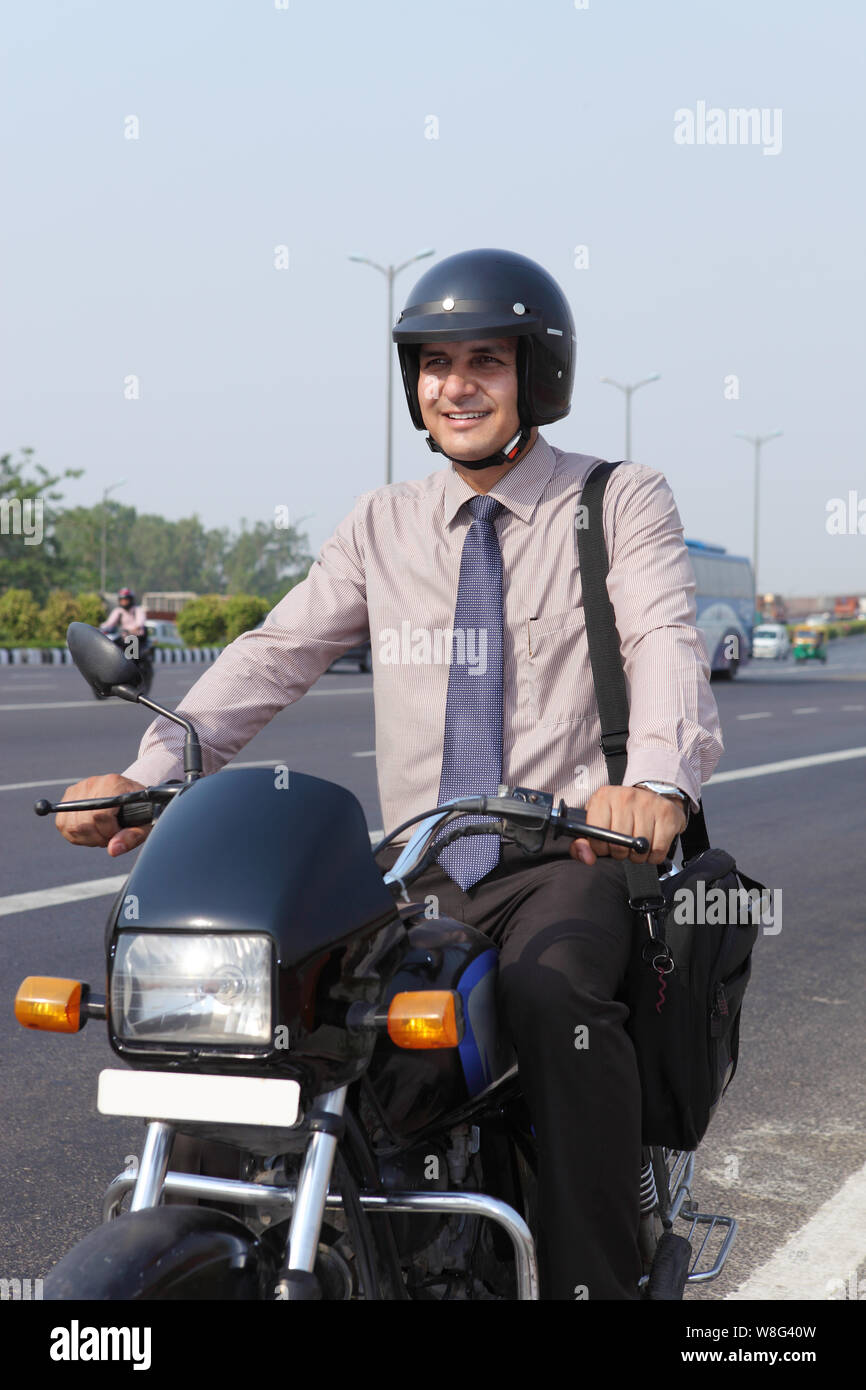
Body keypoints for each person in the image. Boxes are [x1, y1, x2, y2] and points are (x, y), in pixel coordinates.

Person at [56, 248, 723, 1300]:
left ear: (534, 377)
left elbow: (662, 641)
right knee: (269, 998)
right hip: (414, 866)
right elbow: (274, 654)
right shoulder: (381, 524)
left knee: (549, 998)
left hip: (563, 856)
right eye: (433, 363)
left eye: (483, 362)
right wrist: (152, 771)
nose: (453, 385)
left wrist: (652, 781)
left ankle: (598, 1282)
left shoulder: (613, 501)